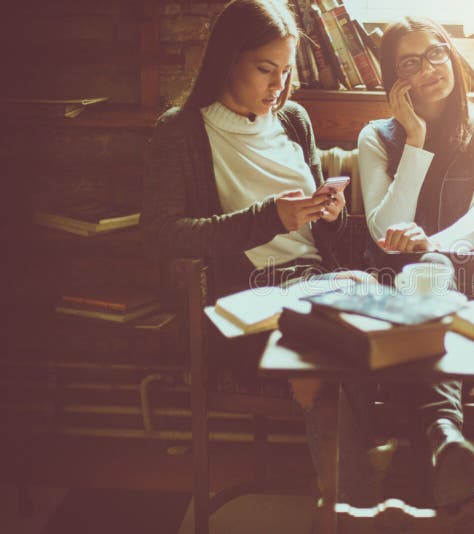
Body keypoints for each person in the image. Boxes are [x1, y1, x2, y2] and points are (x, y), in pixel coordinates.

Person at [141, 0, 378, 508]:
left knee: (377, 323)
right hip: (247, 300)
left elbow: (320, 241)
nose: (279, 86)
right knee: (332, 346)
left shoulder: (293, 120)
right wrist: (269, 218)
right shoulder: (182, 130)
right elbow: (161, 233)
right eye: (265, 69)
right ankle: (356, 506)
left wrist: (329, 214)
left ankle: (353, 494)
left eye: (286, 70)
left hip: (318, 284)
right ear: (228, 60)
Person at [357, 16, 474, 507]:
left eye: (436, 53)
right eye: (411, 62)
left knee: (436, 283)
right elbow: (385, 232)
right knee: (422, 288)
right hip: (400, 292)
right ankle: (444, 436)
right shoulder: (377, 138)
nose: (429, 68)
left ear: (451, 55)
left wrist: (433, 246)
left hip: (468, 286)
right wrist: (416, 138)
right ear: (395, 79)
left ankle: (425, 455)